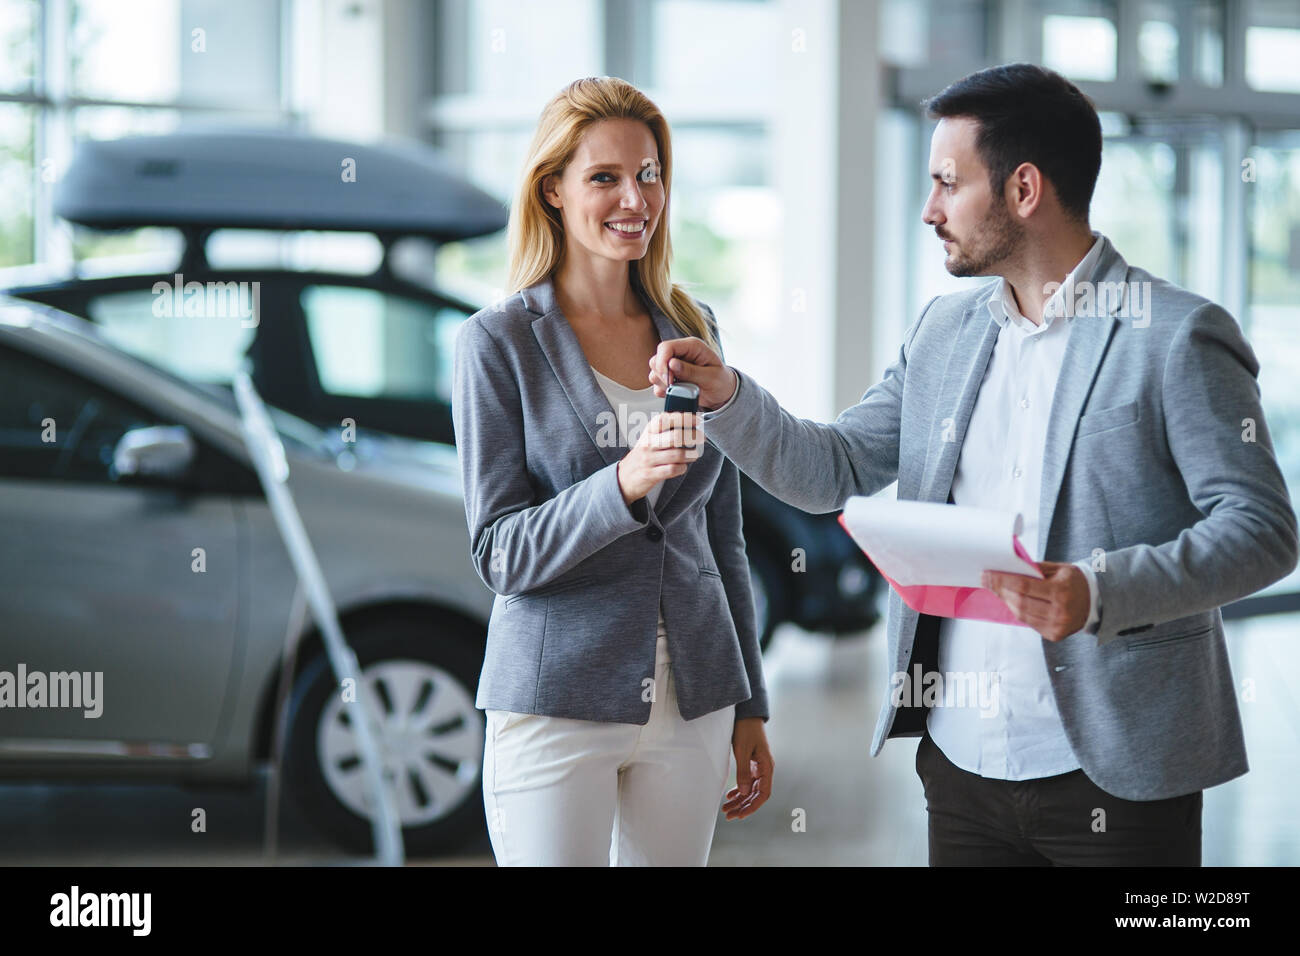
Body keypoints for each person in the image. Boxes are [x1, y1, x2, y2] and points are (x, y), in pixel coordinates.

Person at [648, 63, 1298, 866]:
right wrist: (727, 395)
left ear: (1024, 189)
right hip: (959, 767)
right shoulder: (944, 333)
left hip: (1118, 775)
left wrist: (1098, 591)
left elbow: (1263, 529)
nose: (929, 210)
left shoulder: (1174, 335)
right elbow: (834, 466)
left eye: (947, 184)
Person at [452, 76, 773, 866]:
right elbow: (500, 553)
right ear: (553, 191)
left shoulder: (697, 329)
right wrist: (621, 483)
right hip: (556, 698)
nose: (636, 197)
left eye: (650, 174)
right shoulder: (497, 343)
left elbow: (721, 540)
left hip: (694, 699)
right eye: (605, 177)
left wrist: (750, 706)